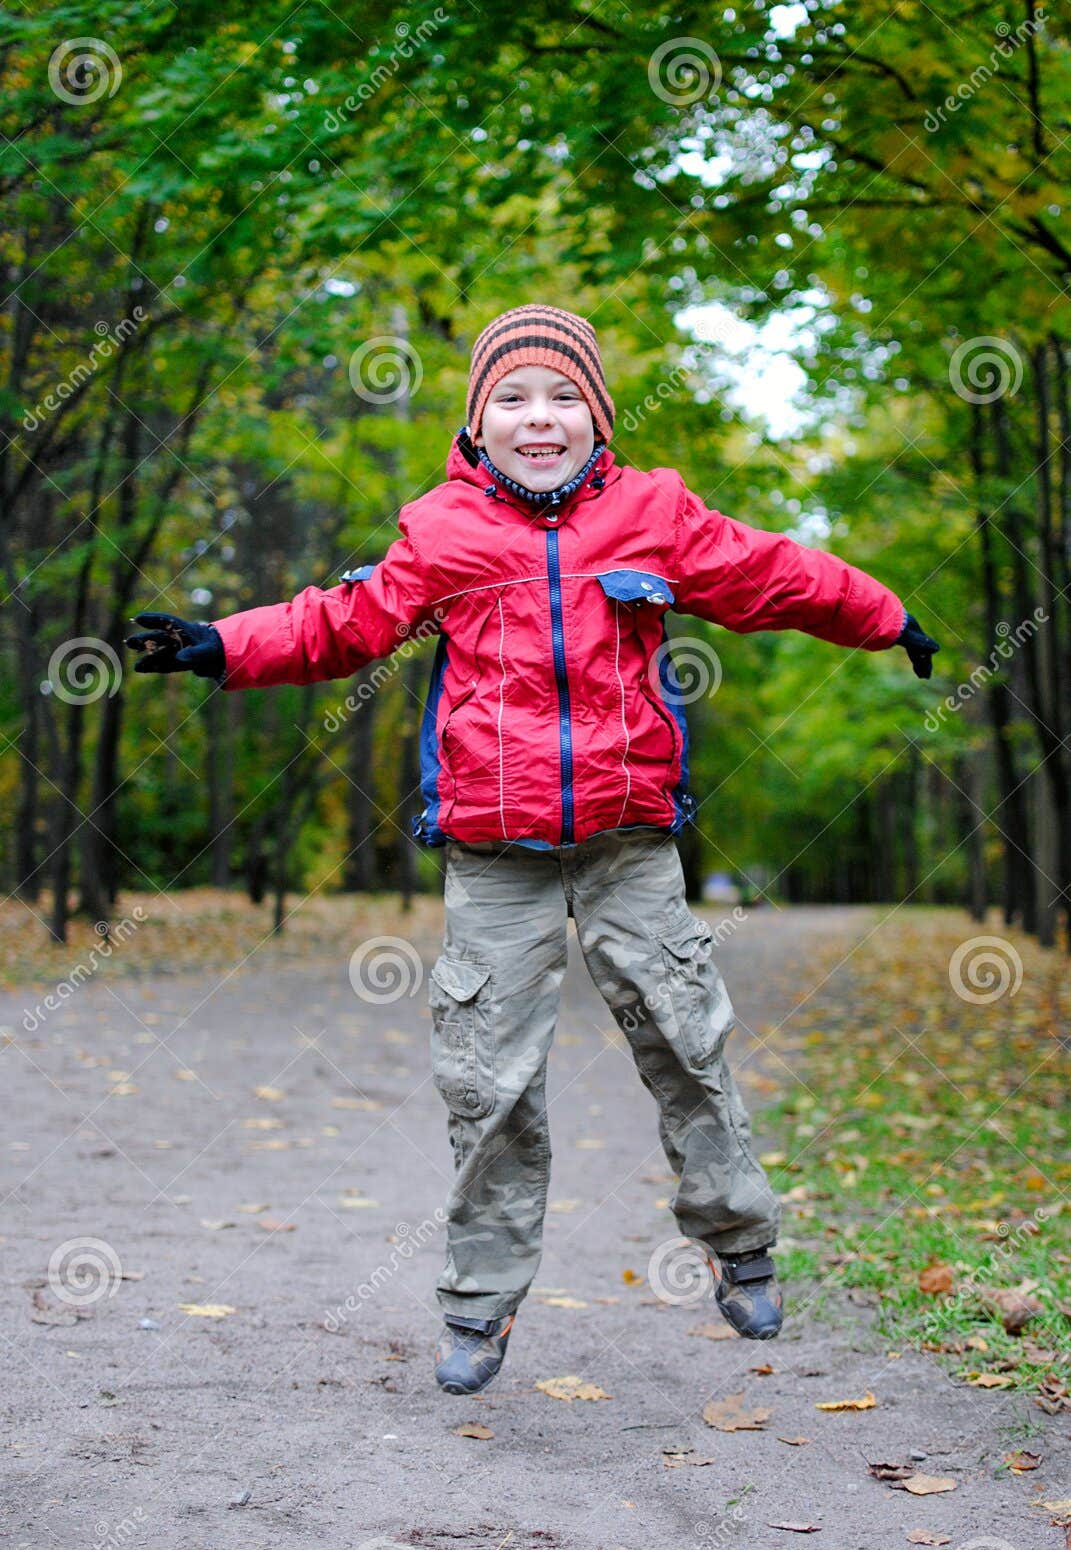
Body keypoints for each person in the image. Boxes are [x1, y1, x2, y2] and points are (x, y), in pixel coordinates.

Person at [127, 303, 940, 1396]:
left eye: (562, 397)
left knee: (686, 1037)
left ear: (598, 415)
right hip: (494, 854)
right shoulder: (442, 532)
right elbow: (342, 621)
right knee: (488, 1078)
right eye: (512, 398)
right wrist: (223, 643)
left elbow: (774, 575)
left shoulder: (655, 514)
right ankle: (479, 1302)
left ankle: (739, 1240)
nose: (539, 417)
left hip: (630, 843)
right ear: (479, 421)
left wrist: (884, 615)